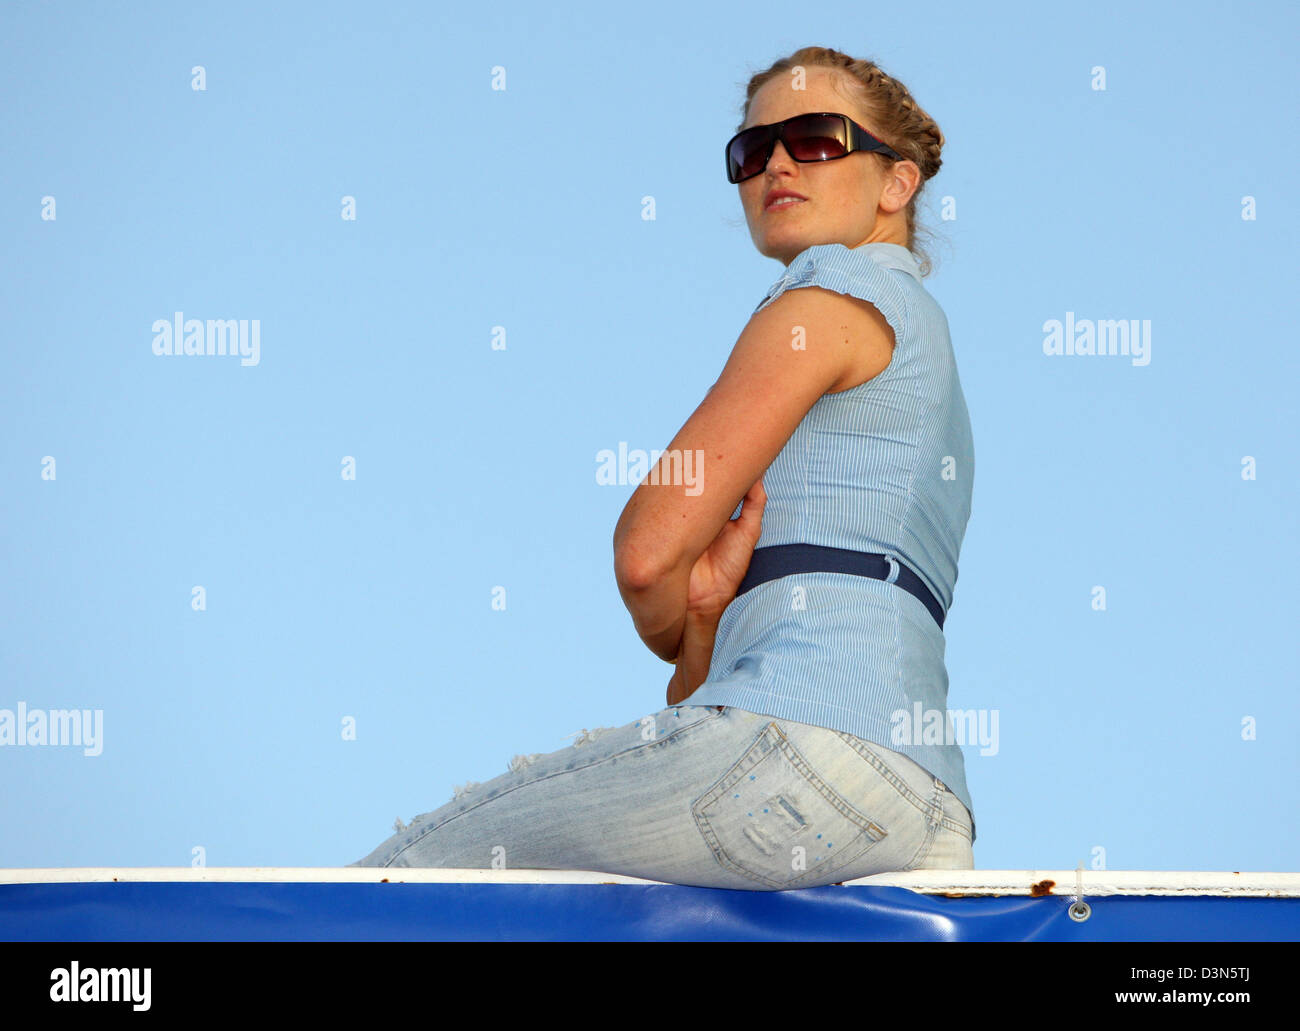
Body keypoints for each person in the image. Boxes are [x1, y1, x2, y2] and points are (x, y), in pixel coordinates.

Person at [349, 45, 977, 889]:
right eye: (753, 151)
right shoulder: (929, 357)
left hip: (800, 750)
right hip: (924, 800)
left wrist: (674, 620)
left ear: (896, 183)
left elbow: (648, 551)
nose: (778, 163)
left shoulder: (827, 293)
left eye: (818, 138)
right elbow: (697, 682)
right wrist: (709, 628)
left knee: (395, 885)